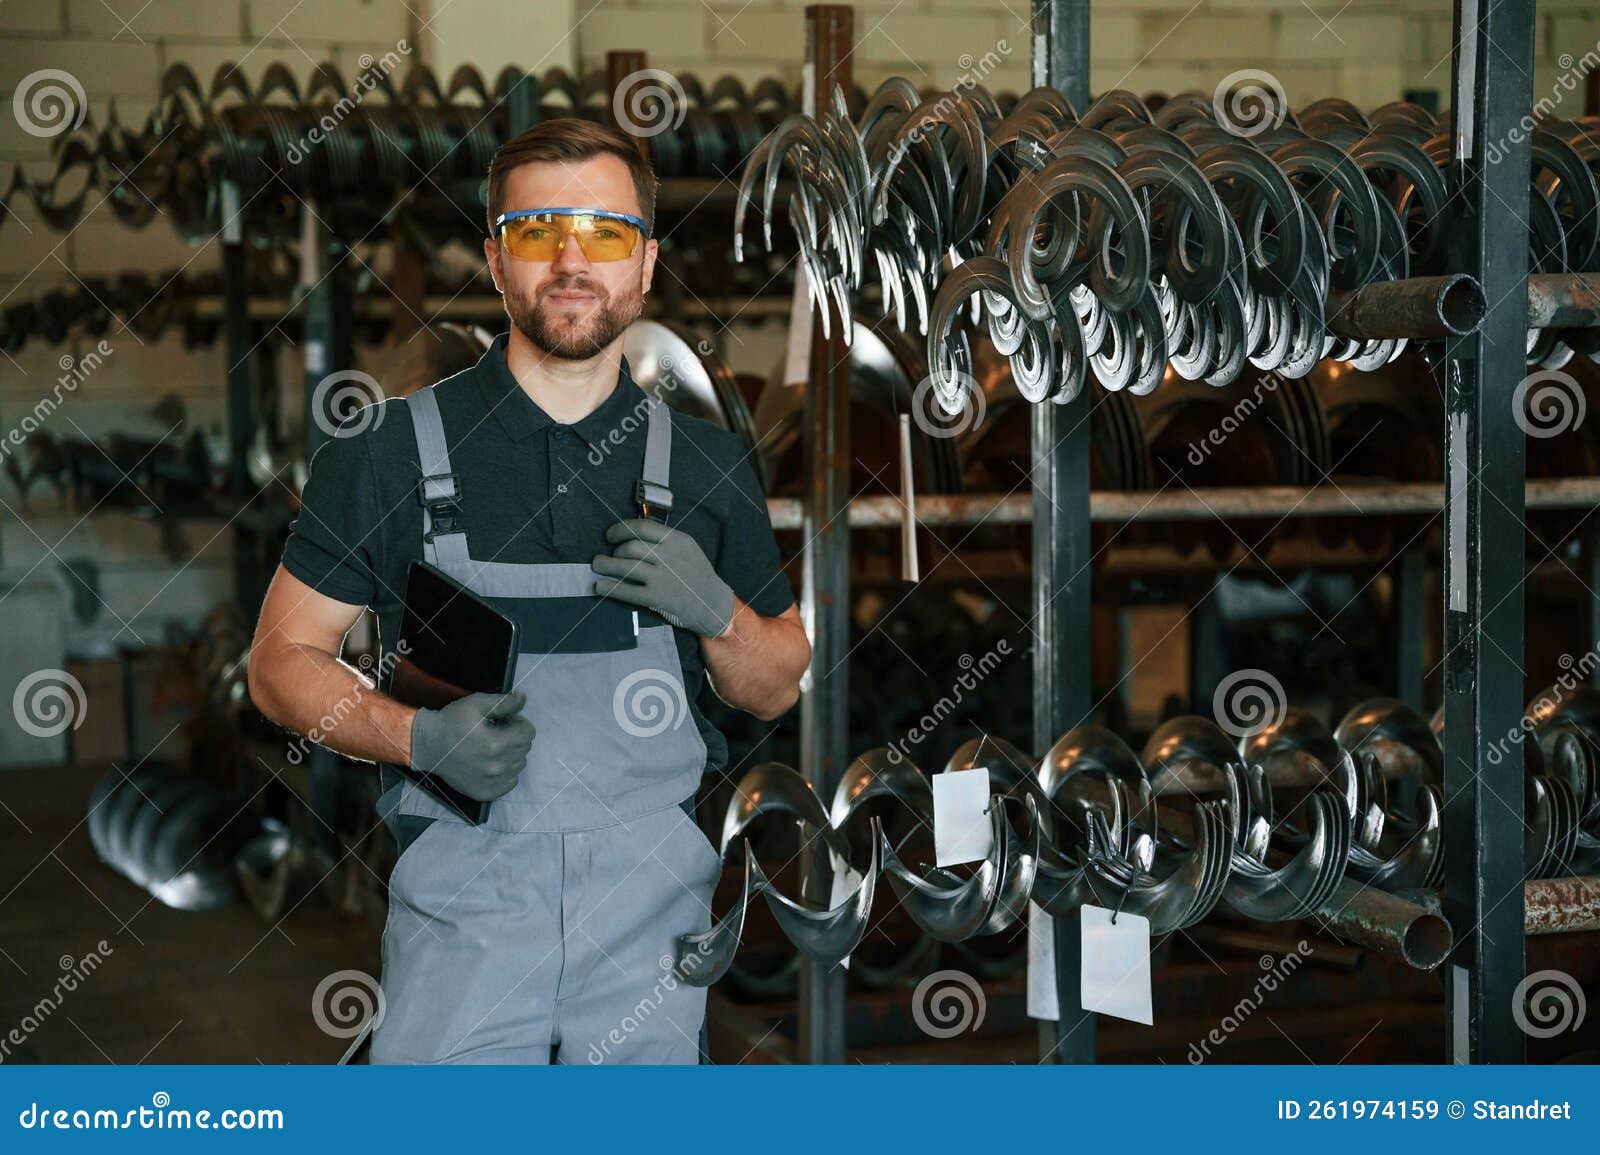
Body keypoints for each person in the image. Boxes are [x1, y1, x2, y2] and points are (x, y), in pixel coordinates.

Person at [247, 118, 810, 1064]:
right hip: (465, 917)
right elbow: (276, 664)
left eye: (606, 232)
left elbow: (776, 682)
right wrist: (416, 736)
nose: (572, 259)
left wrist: (721, 613)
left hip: (650, 926)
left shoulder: (709, 465)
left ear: (647, 264)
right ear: (496, 259)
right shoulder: (389, 452)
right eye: (539, 230)